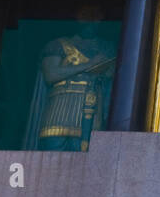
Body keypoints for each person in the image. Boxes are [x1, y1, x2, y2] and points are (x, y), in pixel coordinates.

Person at [33, 9, 116, 151]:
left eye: (95, 17)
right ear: (76, 18)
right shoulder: (58, 45)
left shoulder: (107, 48)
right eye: (84, 15)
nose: (90, 20)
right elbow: (51, 74)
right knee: (51, 155)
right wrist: (89, 65)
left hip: (92, 108)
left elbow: (111, 76)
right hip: (59, 110)